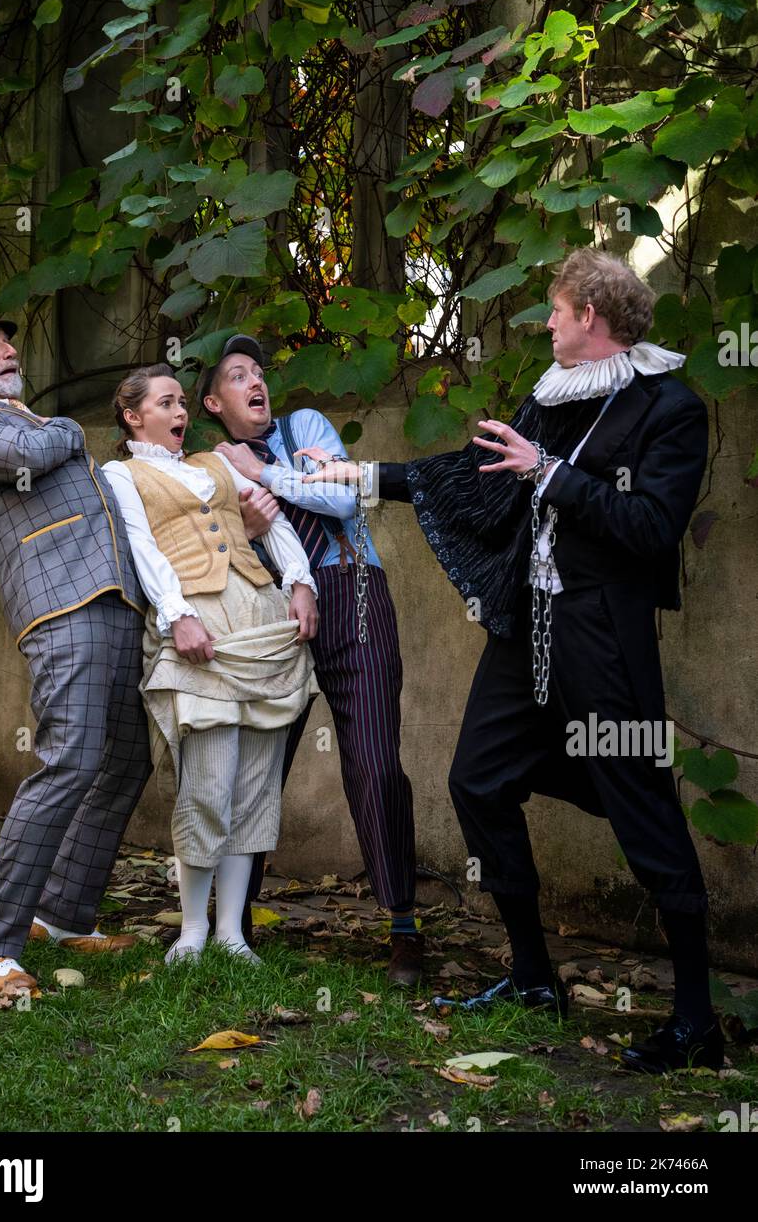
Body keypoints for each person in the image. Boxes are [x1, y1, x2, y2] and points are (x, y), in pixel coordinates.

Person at [302, 249, 722, 1073]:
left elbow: (651, 528)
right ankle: (534, 978)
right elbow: (476, 477)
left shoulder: (669, 407)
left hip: (601, 639)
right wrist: (362, 473)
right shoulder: (554, 394)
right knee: (478, 780)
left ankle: (697, 1021)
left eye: (556, 312)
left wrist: (554, 475)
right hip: (527, 629)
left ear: (589, 317)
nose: (547, 325)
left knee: (644, 812)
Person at [0, 302, 152, 996]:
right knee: (71, 759)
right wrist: (69, 427)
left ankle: (60, 915)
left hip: (114, 599)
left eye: (7, 342)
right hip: (60, 606)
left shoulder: (22, 416)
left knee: (126, 762)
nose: (7, 351)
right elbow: (30, 457)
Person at [200, 335, 423, 987]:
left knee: (375, 761)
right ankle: (232, 923)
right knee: (257, 766)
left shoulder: (306, 427)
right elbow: (216, 549)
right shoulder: (210, 468)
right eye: (237, 375)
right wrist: (242, 520)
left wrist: (265, 472)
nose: (255, 381)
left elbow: (345, 499)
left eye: (258, 371)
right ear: (213, 402)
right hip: (274, 612)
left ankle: (404, 926)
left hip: (353, 594)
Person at [102, 364, 319, 965]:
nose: (181, 413)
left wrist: (300, 584)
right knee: (206, 783)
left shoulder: (216, 462)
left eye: (182, 402)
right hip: (197, 622)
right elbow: (143, 547)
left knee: (255, 785)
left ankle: (231, 934)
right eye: (165, 403)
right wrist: (177, 615)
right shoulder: (121, 474)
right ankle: (193, 929)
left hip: (258, 618)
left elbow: (272, 523)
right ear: (133, 416)